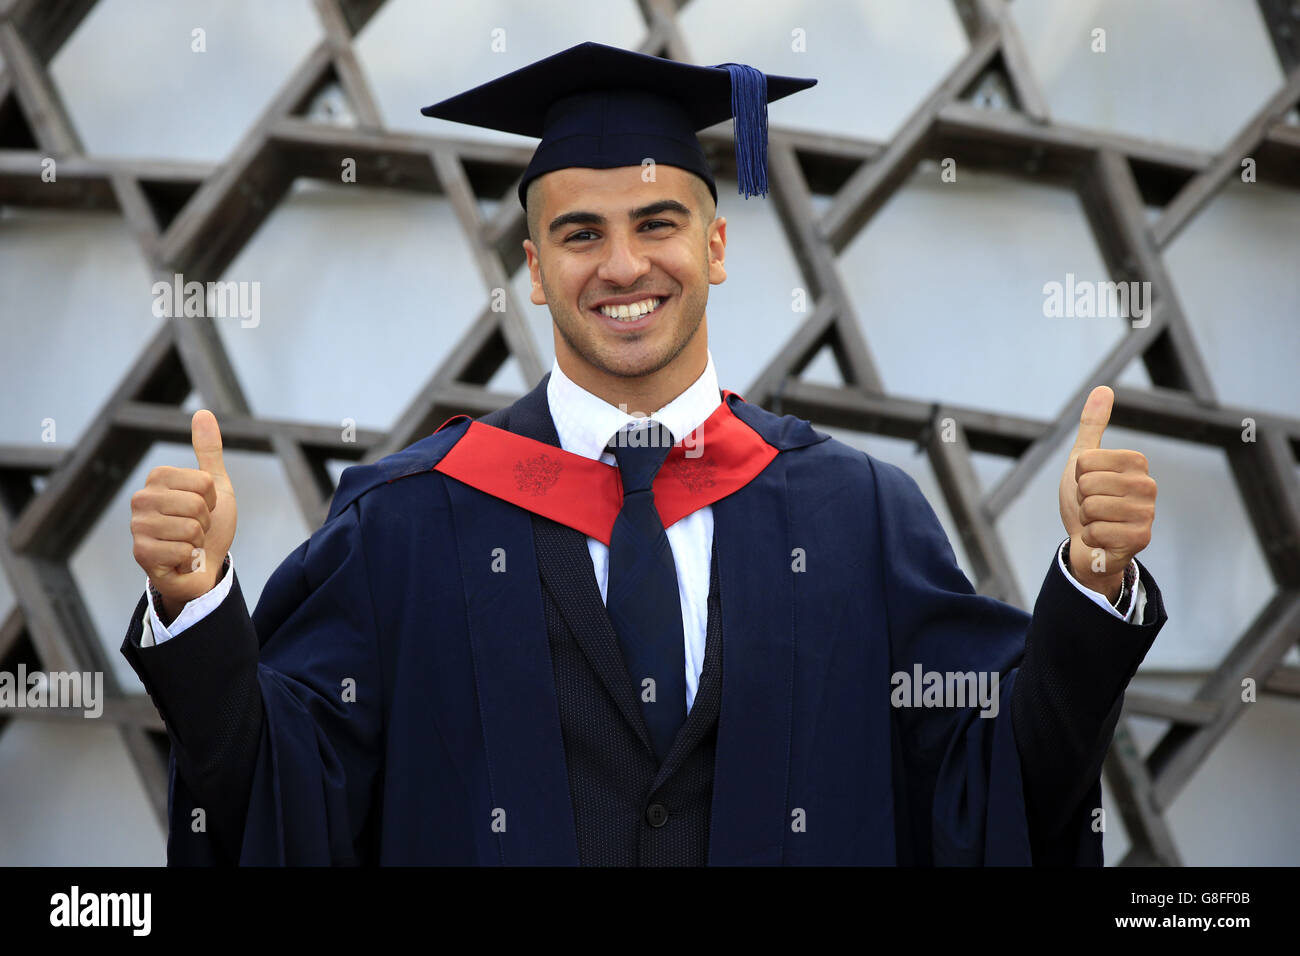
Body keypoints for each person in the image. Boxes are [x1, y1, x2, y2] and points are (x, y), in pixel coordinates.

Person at [122, 41, 1165, 866]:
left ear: (714, 245)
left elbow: (994, 785)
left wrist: (1088, 585)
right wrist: (199, 604)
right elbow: (280, 797)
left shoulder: (855, 517)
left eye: (657, 222)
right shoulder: (407, 522)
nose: (623, 263)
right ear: (533, 269)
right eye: (579, 234)